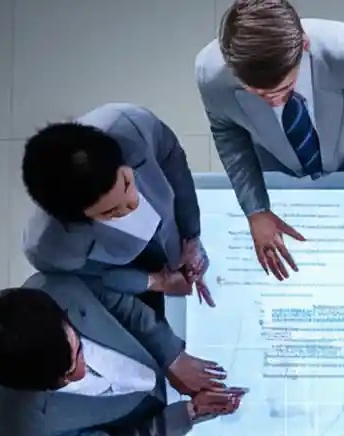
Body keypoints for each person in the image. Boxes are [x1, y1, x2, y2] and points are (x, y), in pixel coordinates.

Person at [197, 0, 344, 274]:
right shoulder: (211, 74)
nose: (275, 102)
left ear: (305, 45)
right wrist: (256, 210)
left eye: (284, 89)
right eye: (260, 95)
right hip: (280, 167)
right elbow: (228, 133)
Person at [0, 273, 243, 436]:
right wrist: (189, 413)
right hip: (146, 415)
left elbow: (120, 304)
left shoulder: (52, 286)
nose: (81, 371)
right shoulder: (25, 431)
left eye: (78, 350)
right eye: (66, 377)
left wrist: (172, 356)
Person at [22, 104, 211, 312]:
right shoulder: (52, 247)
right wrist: (156, 281)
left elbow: (174, 165)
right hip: (125, 269)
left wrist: (191, 237)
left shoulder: (132, 125)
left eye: (127, 183)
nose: (132, 204)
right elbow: (96, 278)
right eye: (110, 212)